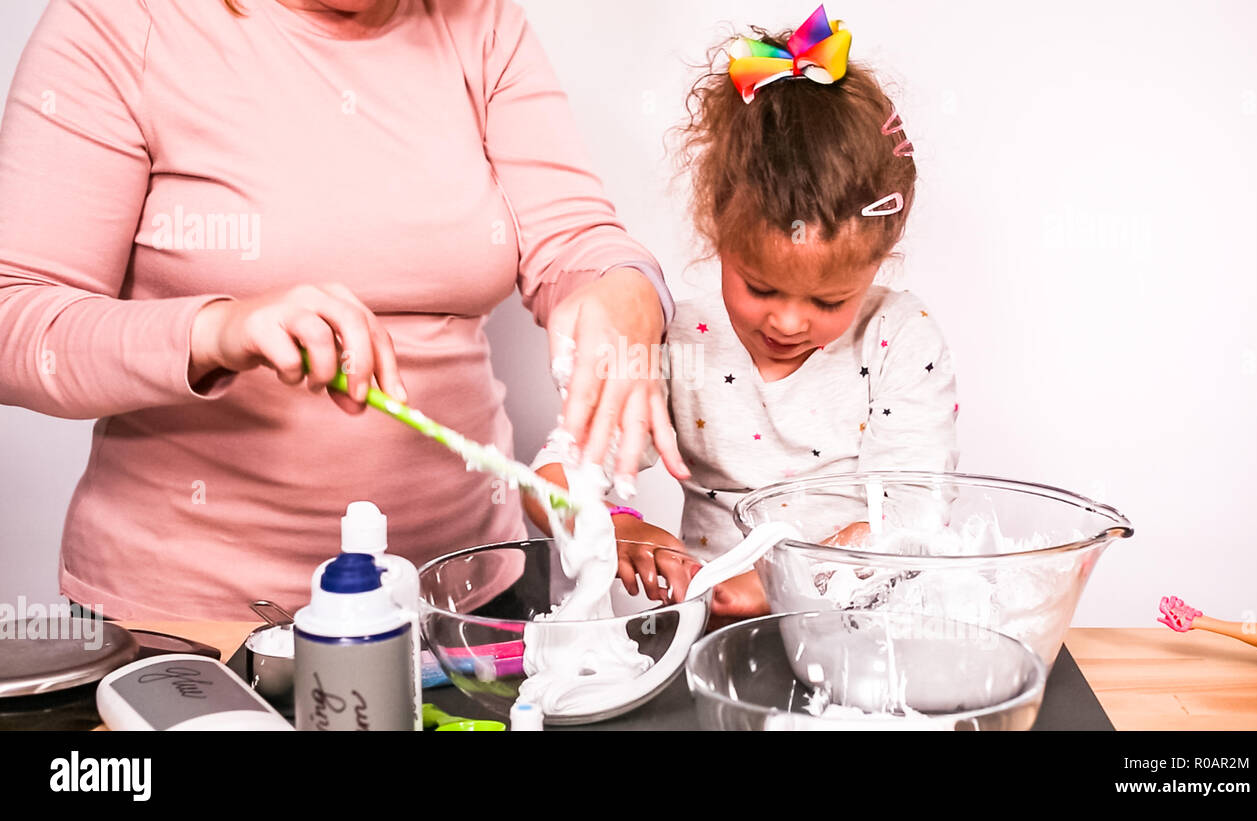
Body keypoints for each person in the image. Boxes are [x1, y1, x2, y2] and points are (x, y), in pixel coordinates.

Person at [0, 0, 688, 619]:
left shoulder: (478, 21)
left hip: (468, 605)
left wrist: (627, 285)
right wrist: (215, 330)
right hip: (193, 629)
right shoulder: (118, 22)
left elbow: (574, 239)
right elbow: (17, 319)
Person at [525, 5, 958, 627]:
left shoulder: (900, 340)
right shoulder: (678, 342)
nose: (786, 323)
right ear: (716, 232)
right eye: (760, 287)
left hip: (859, 640)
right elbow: (549, 475)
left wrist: (788, 580)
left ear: (881, 257)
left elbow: (914, 517)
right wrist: (615, 526)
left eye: (827, 301)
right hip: (706, 642)